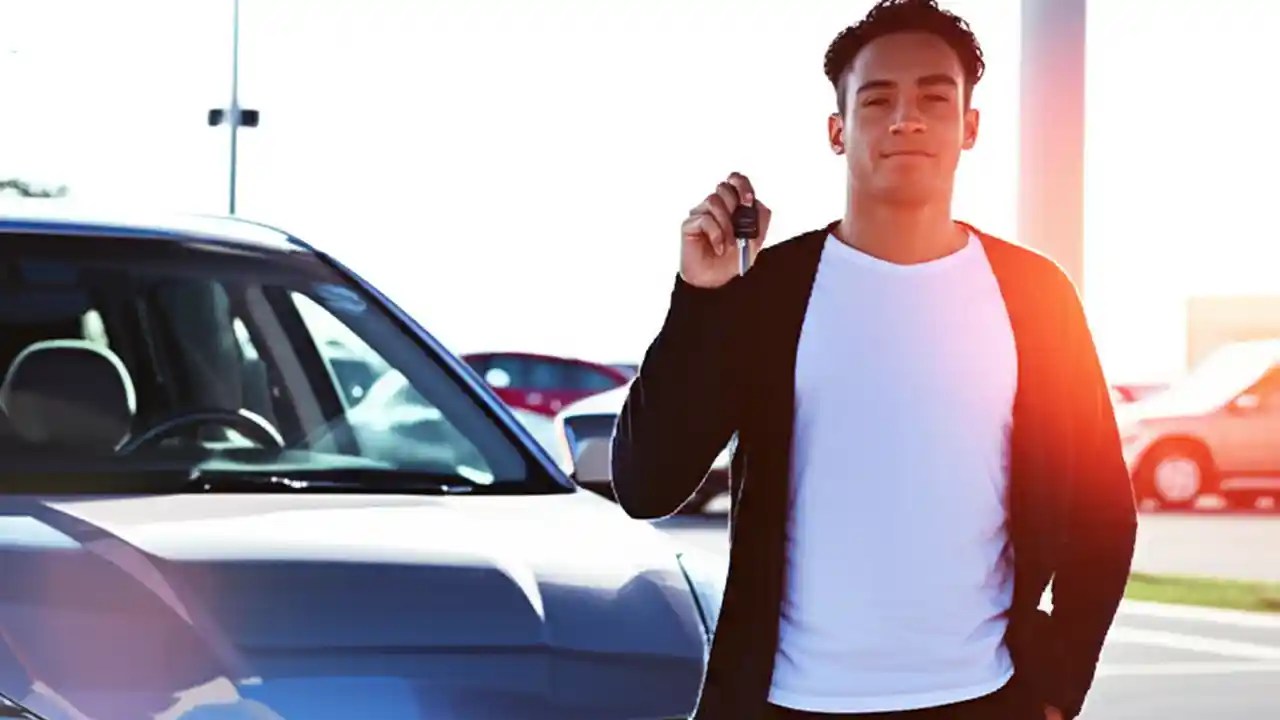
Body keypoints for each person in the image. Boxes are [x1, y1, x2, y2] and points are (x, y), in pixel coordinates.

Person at [609, 1, 1137, 719]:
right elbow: (647, 485)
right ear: (838, 130)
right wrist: (702, 300)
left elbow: (1104, 514)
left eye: (934, 99)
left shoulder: (1036, 296)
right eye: (878, 99)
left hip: (985, 698)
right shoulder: (769, 292)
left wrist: (1057, 690)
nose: (906, 119)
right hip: (788, 701)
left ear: (969, 127)